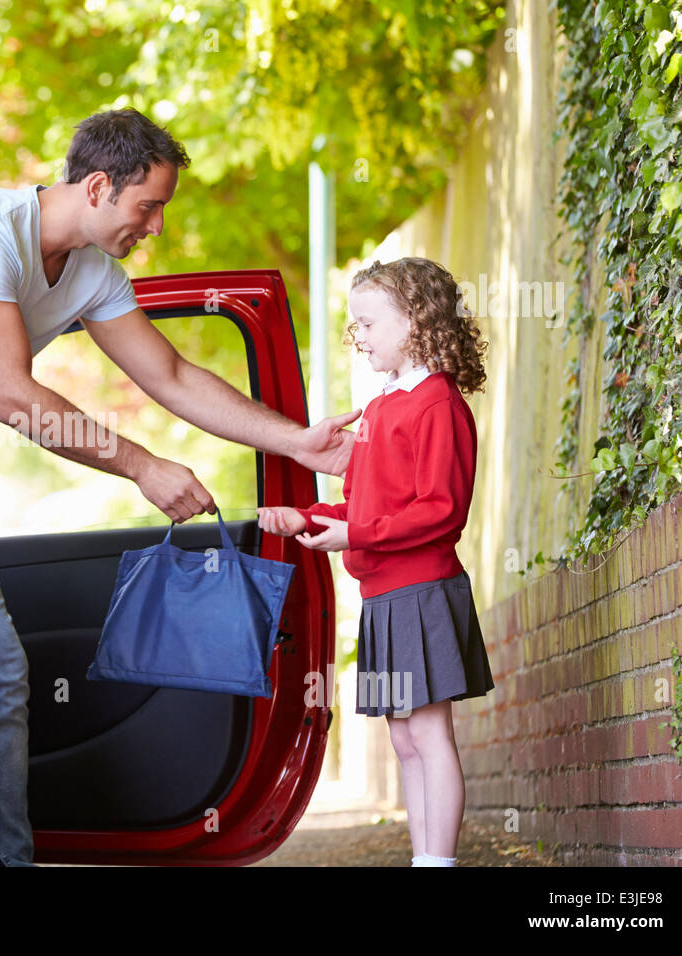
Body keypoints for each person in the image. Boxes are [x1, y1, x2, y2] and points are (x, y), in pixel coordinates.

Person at [0, 107, 362, 866]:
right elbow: (14, 398)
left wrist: (297, 440)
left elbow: (172, 375)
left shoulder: (94, 274)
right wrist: (142, 467)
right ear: (98, 186)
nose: (155, 225)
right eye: (148, 205)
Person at [257, 256, 495, 867]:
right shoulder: (382, 406)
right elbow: (362, 503)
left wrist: (354, 530)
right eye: (354, 325)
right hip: (384, 595)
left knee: (429, 733)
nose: (357, 336)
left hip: (423, 590)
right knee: (404, 735)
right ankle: (425, 857)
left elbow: (441, 511)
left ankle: (437, 862)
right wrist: (307, 518)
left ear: (415, 321)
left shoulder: (436, 402)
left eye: (367, 323)